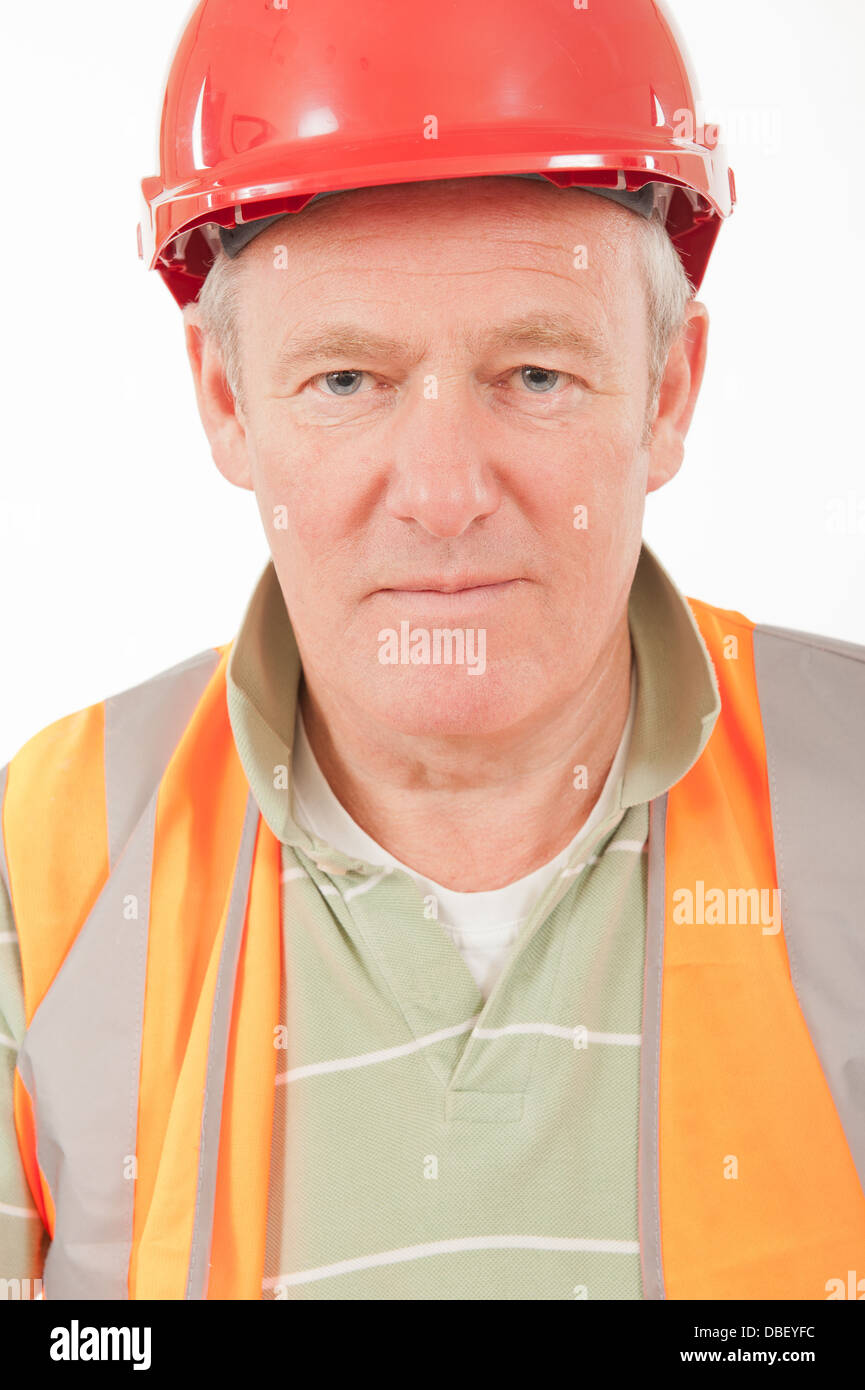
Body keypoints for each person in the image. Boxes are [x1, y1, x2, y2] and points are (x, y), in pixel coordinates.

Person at [1, 0, 863, 1302]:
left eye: (532, 373)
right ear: (227, 402)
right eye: (345, 381)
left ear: (669, 390)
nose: (444, 490)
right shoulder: (44, 868)